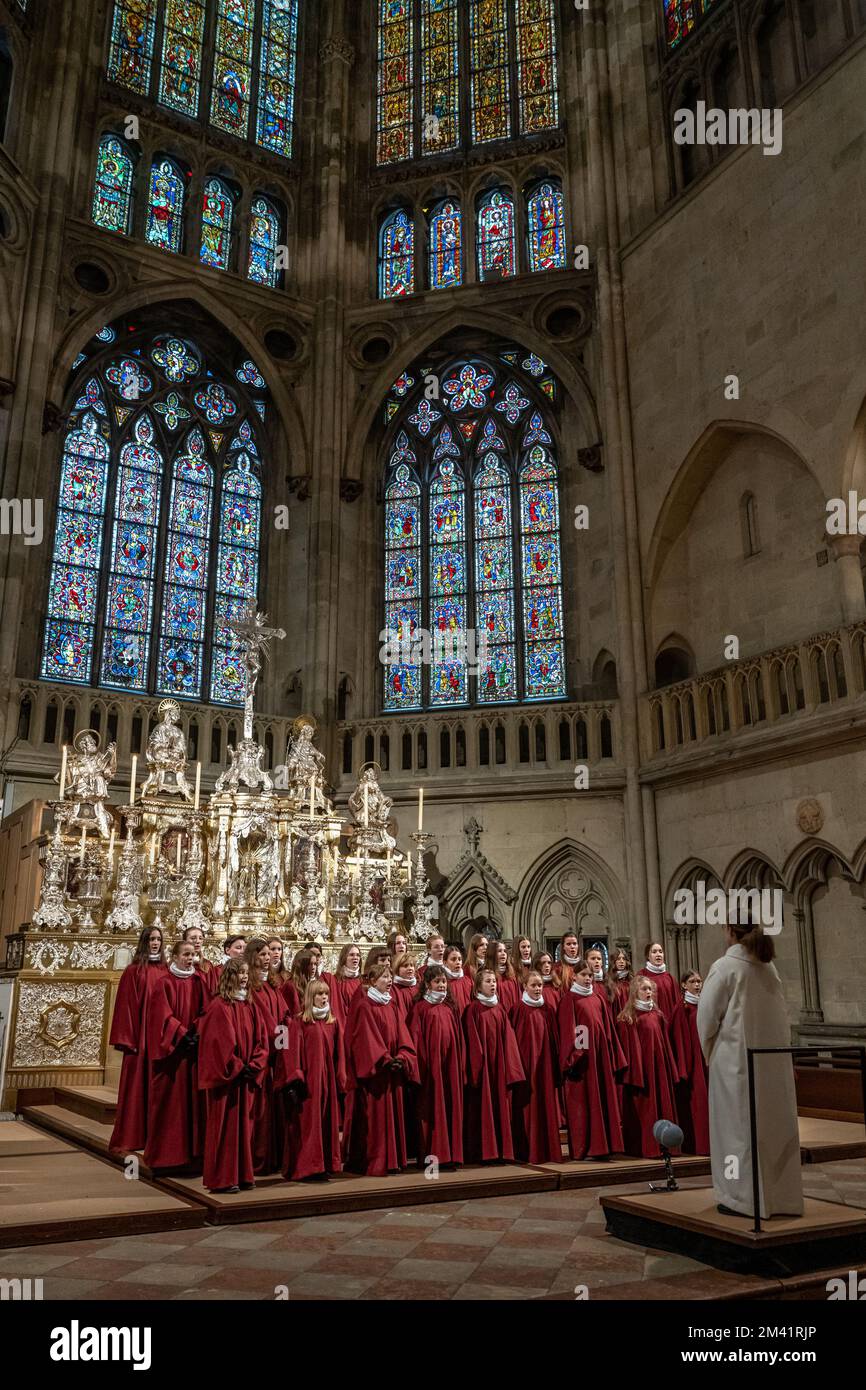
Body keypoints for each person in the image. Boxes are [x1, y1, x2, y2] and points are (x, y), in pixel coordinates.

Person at [698, 921, 803, 1218]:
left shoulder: (725, 967)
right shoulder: (769, 969)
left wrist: (710, 1052)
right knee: (772, 1129)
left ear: (731, 932)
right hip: (772, 1064)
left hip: (735, 1065)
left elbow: (706, 1019)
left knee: (734, 1133)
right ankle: (781, 1198)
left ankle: (737, 1197)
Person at [342, 961, 419, 1176]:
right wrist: (384, 1059)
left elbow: (403, 1034)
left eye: (390, 977)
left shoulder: (391, 1005)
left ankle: (393, 1160)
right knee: (375, 1120)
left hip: (392, 1071)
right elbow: (364, 1039)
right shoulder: (365, 1006)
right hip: (376, 1075)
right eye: (384, 977)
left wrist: (403, 1056)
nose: (389, 981)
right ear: (373, 981)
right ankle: (378, 1160)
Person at [197, 960, 268, 1193]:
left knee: (245, 1130)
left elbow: (262, 1039)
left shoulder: (250, 1005)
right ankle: (223, 1179)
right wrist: (238, 1067)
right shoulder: (219, 1006)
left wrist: (255, 1064)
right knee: (224, 1128)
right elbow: (219, 1044)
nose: (245, 977)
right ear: (229, 976)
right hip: (227, 1081)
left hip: (245, 1077)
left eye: (247, 972)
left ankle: (243, 1175)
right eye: (240, 973)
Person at [144, 940, 207, 1171]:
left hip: (193, 1051)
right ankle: (166, 1156)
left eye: (193, 955)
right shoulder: (164, 983)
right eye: (186, 954)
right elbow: (162, 1014)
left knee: (193, 1106)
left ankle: (193, 1156)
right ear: (175, 956)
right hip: (172, 1055)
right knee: (170, 1105)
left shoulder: (199, 981)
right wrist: (181, 1034)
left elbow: (206, 1011)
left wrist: (197, 1032)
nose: (190, 959)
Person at [277, 977, 346, 1182]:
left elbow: (338, 1055)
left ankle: (323, 1165)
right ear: (310, 997)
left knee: (325, 1122)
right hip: (307, 1084)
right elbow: (291, 1052)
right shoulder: (300, 1022)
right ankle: (306, 1167)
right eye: (319, 994)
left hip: (327, 1082)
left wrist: (340, 1080)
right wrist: (295, 1079)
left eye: (326, 994)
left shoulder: (332, 1022)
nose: (324, 998)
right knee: (308, 1125)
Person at [557, 958, 625, 1160]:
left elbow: (607, 1029)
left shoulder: (598, 998)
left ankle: (605, 1146)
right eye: (583, 975)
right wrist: (579, 1054)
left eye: (590, 975)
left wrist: (609, 1053)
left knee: (603, 1100)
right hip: (584, 1062)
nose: (587, 979)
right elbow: (574, 1028)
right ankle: (585, 1148)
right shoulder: (571, 999)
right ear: (574, 976)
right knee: (585, 1103)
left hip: (600, 1058)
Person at [108, 926, 167, 1154]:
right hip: (140, 1039)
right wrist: (128, 1039)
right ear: (144, 942)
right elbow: (125, 1007)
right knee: (137, 1088)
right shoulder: (133, 971)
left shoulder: (165, 969)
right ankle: (133, 1135)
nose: (155, 943)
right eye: (151, 939)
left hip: (160, 1037)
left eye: (159, 939)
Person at [463, 966, 525, 1162]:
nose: (493, 985)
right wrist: (476, 1069)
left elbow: (509, 1040)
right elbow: (471, 1041)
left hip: (499, 1069)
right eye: (488, 982)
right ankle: (483, 1152)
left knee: (501, 1108)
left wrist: (511, 1067)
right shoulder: (472, 1009)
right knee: (481, 1109)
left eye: (494, 981)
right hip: (483, 1072)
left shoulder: (499, 1009)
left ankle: (502, 1151)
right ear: (478, 987)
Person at [616, 976, 681, 1159]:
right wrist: (636, 1074)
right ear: (635, 992)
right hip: (641, 1072)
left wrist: (669, 1068)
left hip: (659, 1068)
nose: (648, 993)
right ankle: (646, 1147)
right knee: (645, 1109)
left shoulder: (658, 1015)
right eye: (644, 989)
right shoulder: (627, 1018)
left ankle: (667, 1145)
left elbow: (665, 1044)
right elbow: (628, 1051)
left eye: (650, 989)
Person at [410, 964, 464, 1169]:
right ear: (427, 984)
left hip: (449, 1068)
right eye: (437, 982)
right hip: (430, 1072)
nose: (442, 985)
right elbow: (415, 1040)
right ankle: (432, 1157)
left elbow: (458, 1039)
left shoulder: (450, 1008)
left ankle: (451, 1155)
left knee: (450, 1109)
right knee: (432, 1112)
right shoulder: (420, 1009)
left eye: (444, 981)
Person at [244, 937, 288, 1174]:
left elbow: (284, 1016)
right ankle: (255, 1159)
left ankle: (273, 1157)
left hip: (275, 1054)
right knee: (258, 1111)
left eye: (268, 954)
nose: (267, 958)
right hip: (259, 1054)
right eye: (261, 954)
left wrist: (284, 1045)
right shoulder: (250, 986)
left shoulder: (272, 984)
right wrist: (274, 1041)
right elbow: (260, 1020)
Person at [510, 971, 562, 1163]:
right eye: (533, 985)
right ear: (525, 987)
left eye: (540, 985)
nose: (538, 988)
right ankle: (527, 1152)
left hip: (545, 1066)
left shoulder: (548, 1009)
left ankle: (549, 1151)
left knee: (546, 1105)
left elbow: (555, 1038)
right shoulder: (518, 1009)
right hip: (526, 1068)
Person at [670, 970, 710, 1156]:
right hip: (692, 1065)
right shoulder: (681, 1008)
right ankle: (698, 1145)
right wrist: (685, 1068)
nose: (697, 985)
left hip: (707, 1060)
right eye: (692, 981)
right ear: (684, 985)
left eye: (699, 981)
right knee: (698, 1104)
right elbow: (678, 1038)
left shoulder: (705, 1006)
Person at [637, 940, 681, 1022]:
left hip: (670, 1021)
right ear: (648, 956)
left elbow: (677, 1004)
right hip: (652, 1021)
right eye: (654, 952)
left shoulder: (669, 977)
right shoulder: (641, 976)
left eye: (660, 952)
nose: (658, 954)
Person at [329, 942, 363, 1028]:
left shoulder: (363, 981)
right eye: (351, 955)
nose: (355, 958)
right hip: (345, 1025)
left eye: (358, 955)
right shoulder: (336, 981)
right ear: (344, 958)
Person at [182, 925, 217, 996]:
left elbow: (213, 990)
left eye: (200, 938)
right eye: (193, 938)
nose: (197, 941)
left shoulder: (207, 964)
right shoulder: (178, 963)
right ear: (184, 941)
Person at [490, 939, 520, 1012]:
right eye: (499, 951)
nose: (503, 954)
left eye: (505, 951)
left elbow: (518, 997)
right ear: (492, 954)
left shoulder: (511, 975)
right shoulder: (488, 975)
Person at [443, 944, 473, 1014]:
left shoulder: (468, 981)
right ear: (445, 963)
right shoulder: (443, 982)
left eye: (459, 959)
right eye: (453, 959)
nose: (458, 962)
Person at [391, 951, 419, 1024]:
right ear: (397, 969)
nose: (410, 968)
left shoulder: (418, 987)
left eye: (412, 965)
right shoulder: (393, 989)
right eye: (405, 966)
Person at [606, 948, 633, 1014]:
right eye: (618, 959)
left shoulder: (632, 980)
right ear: (613, 961)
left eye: (623, 959)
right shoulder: (608, 980)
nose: (621, 961)